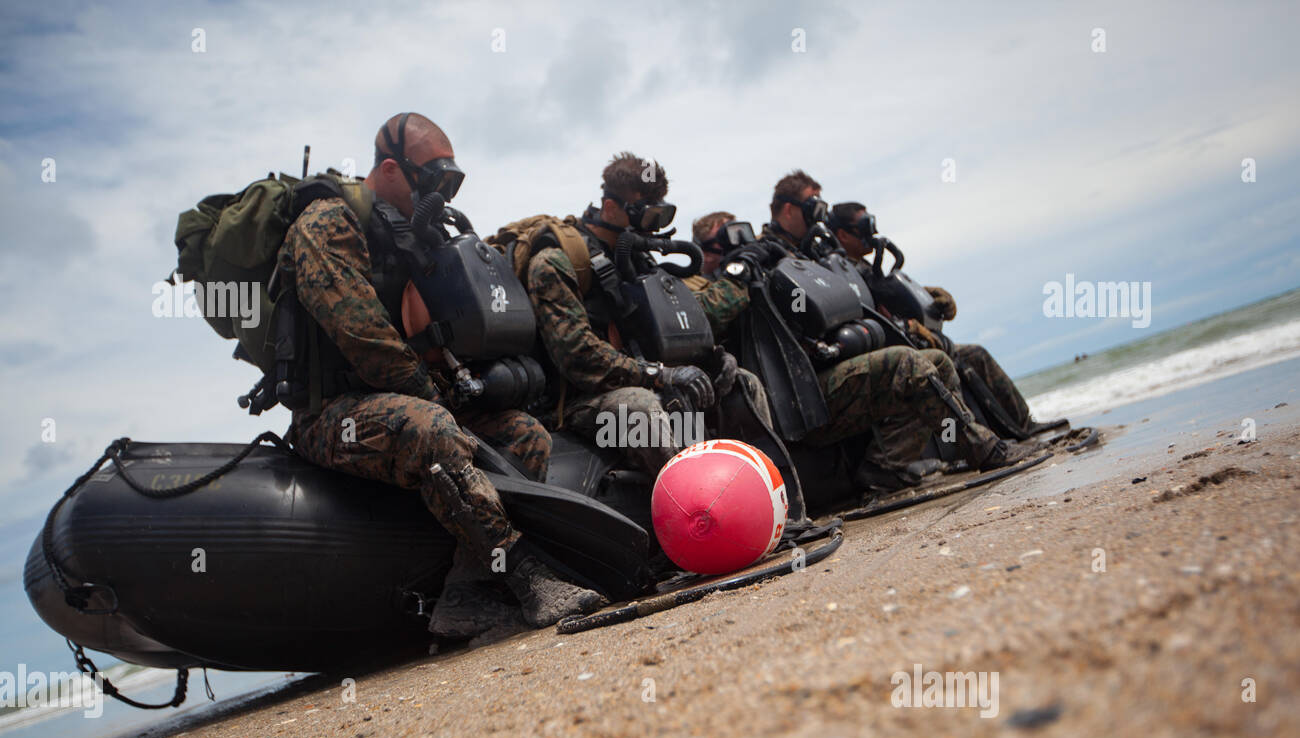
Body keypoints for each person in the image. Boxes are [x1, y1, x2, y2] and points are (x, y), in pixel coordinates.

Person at [277, 112, 603, 638]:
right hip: (331, 413)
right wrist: (437, 397)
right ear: (388, 169)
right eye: (434, 180)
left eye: (450, 183)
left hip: (406, 397)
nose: (443, 195)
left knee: (526, 435)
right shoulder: (328, 223)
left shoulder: (407, 236)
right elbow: (364, 338)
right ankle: (529, 580)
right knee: (432, 428)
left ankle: (467, 593)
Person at [759, 171, 1040, 481]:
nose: (819, 214)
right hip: (808, 387)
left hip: (847, 363)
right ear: (788, 210)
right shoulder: (766, 256)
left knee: (938, 363)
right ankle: (983, 450)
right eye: (812, 204)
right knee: (907, 364)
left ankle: (889, 465)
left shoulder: (816, 253)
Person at [524, 152, 765, 476]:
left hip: (643, 379)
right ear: (611, 207)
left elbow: (666, 328)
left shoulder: (638, 261)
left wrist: (709, 358)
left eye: (658, 215)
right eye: (645, 214)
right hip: (581, 401)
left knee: (741, 383)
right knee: (640, 408)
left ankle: (773, 501)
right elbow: (578, 357)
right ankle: (697, 513)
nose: (652, 227)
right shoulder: (557, 261)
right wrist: (660, 375)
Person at [828, 200, 1043, 432]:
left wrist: (930, 300)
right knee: (943, 364)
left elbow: (889, 297)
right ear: (843, 234)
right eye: (864, 226)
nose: (871, 233)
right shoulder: (840, 271)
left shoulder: (865, 268)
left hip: (911, 342)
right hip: (895, 349)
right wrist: (909, 327)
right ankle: (970, 446)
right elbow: (869, 315)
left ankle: (1023, 426)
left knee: (975, 355)